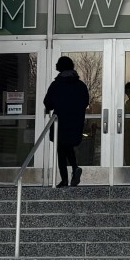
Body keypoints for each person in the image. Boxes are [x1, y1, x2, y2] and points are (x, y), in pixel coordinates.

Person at [42, 56, 91, 188]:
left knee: (61, 150)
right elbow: (85, 102)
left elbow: (48, 103)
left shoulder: (56, 85)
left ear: (59, 67)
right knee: (68, 147)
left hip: (60, 122)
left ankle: (64, 180)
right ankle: (75, 168)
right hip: (75, 122)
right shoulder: (80, 85)